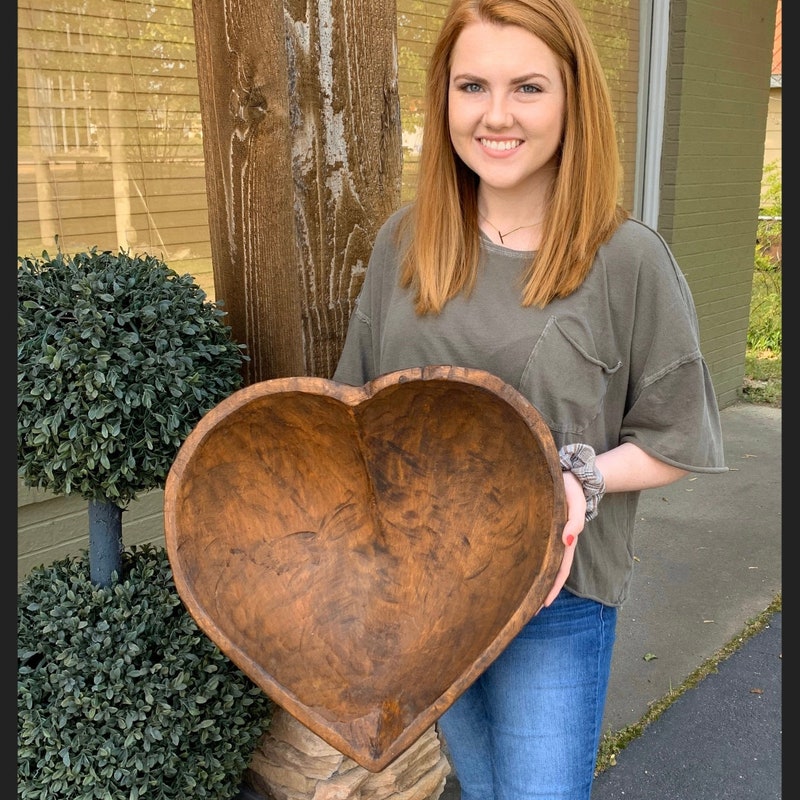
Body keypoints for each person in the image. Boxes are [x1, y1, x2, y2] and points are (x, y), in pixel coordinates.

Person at [332, 0, 727, 797]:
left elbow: (676, 438)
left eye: (529, 88)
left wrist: (577, 477)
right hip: (421, 595)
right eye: (473, 85)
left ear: (574, 99)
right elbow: (352, 414)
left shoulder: (626, 261)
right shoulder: (405, 243)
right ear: (444, 96)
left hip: (553, 597)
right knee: (480, 788)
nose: (497, 115)